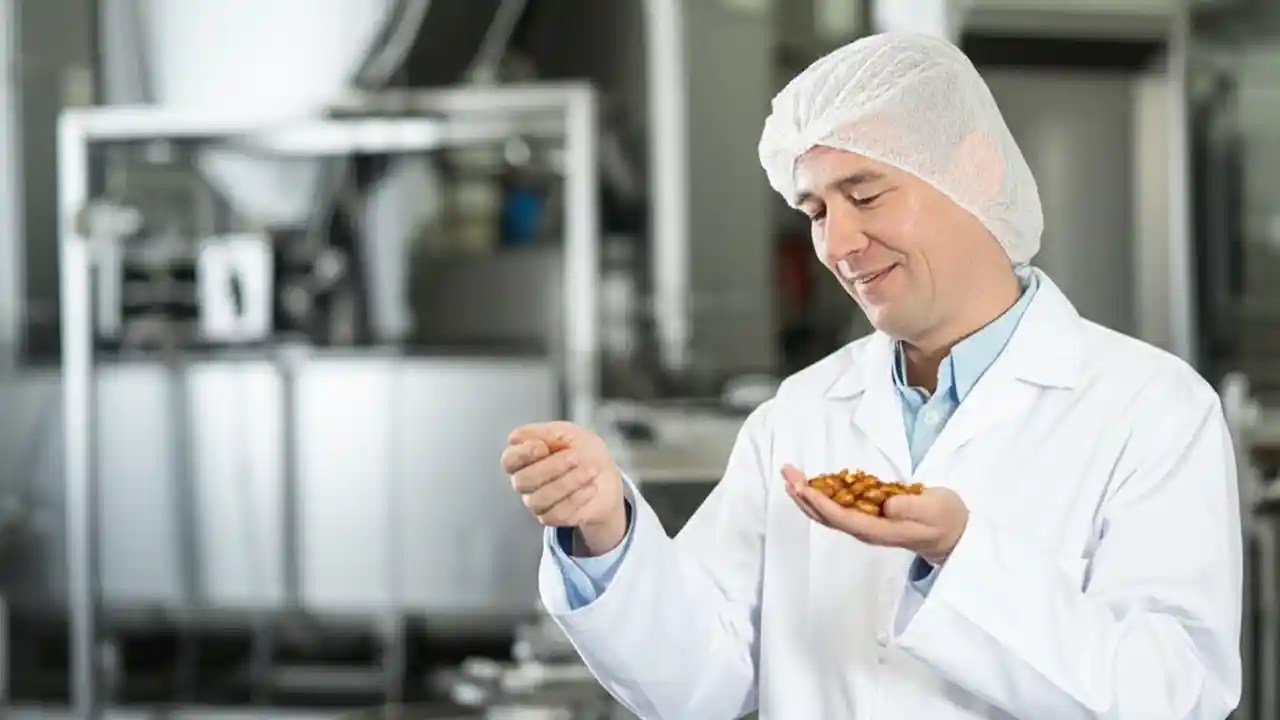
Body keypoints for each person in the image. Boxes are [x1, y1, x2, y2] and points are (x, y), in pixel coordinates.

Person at [499, 32, 1242, 719]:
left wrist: (961, 556)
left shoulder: (1151, 408)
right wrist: (605, 528)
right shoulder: (801, 413)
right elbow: (700, 682)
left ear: (974, 170)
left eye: (865, 195)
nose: (837, 243)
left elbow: (1175, 695)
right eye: (816, 211)